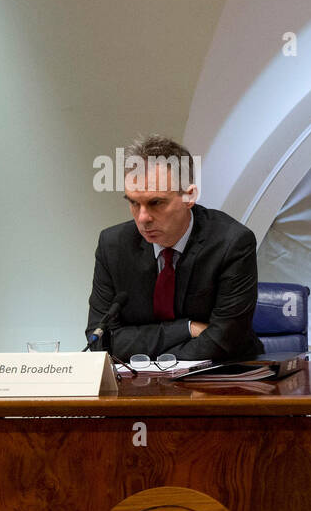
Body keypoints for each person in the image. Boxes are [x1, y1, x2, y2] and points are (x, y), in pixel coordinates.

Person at [86, 135, 264, 362]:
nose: (142, 218)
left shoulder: (232, 243)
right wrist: (187, 329)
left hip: (222, 380)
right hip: (138, 386)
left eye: (156, 203)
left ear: (189, 196)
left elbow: (223, 340)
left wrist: (152, 359)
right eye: (133, 202)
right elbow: (100, 339)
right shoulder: (113, 245)